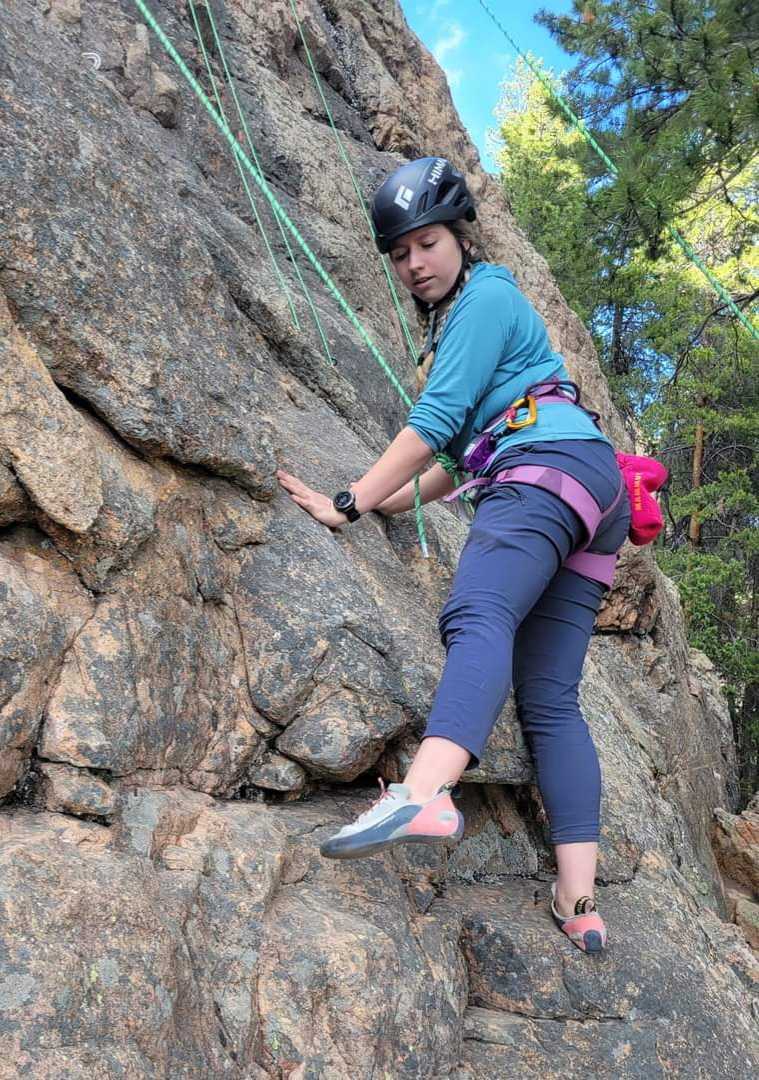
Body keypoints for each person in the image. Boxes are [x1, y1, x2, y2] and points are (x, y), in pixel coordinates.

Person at [277, 157, 631, 954]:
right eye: (400, 253)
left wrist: (347, 501)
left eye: (427, 243)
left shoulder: (485, 297)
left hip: (544, 472)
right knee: (549, 700)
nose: (414, 264)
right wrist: (390, 501)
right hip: (589, 488)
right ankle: (580, 903)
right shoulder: (483, 309)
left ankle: (425, 794)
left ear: (458, 238)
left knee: (478, 613)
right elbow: (460, 457)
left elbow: (437, 420)